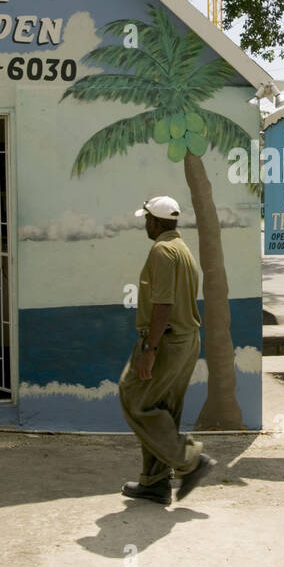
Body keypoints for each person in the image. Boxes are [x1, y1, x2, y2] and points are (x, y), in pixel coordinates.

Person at [118, 196, 216, 505]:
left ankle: (191, 460)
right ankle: (155, 483)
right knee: (162, 410)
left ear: (155, 222)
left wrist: (149, 349)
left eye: (146, 220)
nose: (145, 225)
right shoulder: (183, 249)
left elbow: (163, 304)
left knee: (134, 398)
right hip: (186, 340)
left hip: (166, 341)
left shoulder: (161, 250)